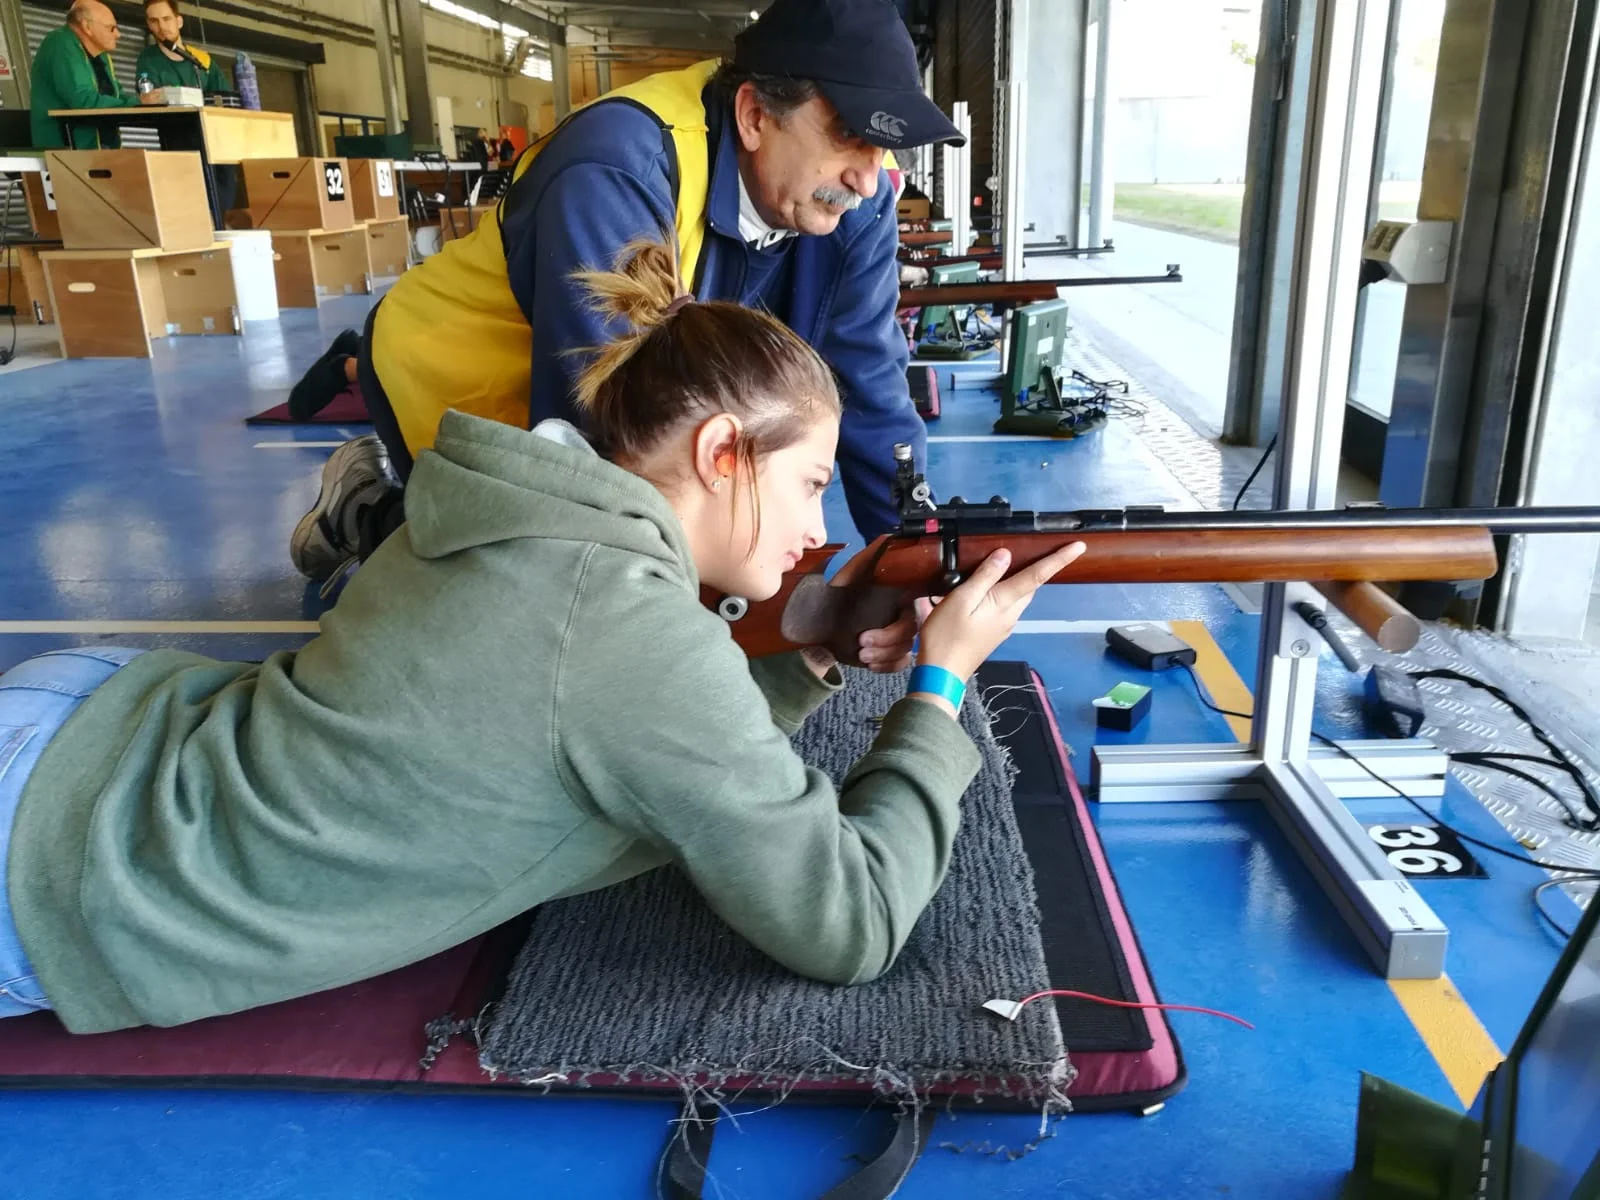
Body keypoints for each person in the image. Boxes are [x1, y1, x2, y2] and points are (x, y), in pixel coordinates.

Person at [0, 240, 1085, 1034]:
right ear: (720, 452)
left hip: (101, 725)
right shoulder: (624, 625)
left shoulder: (527, 498)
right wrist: (940, 689)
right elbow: (848, 923)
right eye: (806, 483)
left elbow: (642, 737)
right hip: (74, 862)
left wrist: (812, 658)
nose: (816, 526)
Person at [284, 0, 963, 585]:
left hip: (609, 381)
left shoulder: (855, 203)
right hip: (463, 372)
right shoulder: (616, 165)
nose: (869, 179)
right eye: (849, 135)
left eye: (883, 150)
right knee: (511, 571)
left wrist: (911, 555)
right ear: (755, 115)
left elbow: (869, 385)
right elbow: (607, 437)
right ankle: (368, 508)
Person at [28, 0, 163, 151]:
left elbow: (118, 95)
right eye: (111, 28)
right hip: (68, 151)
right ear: (87, 27)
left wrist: (143, 101)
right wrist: (135, 104)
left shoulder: (101, 55)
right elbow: (82, 99)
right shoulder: (61, 44)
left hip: (102, 148)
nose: (118, 34)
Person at [135, 0, 231, 93]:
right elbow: (150, 100)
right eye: (154, 21)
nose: (162, 26)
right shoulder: (148, 59)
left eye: (166, 19)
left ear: (179, 22)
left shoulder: (202, 60)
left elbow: (226, 101)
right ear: (149, 25)